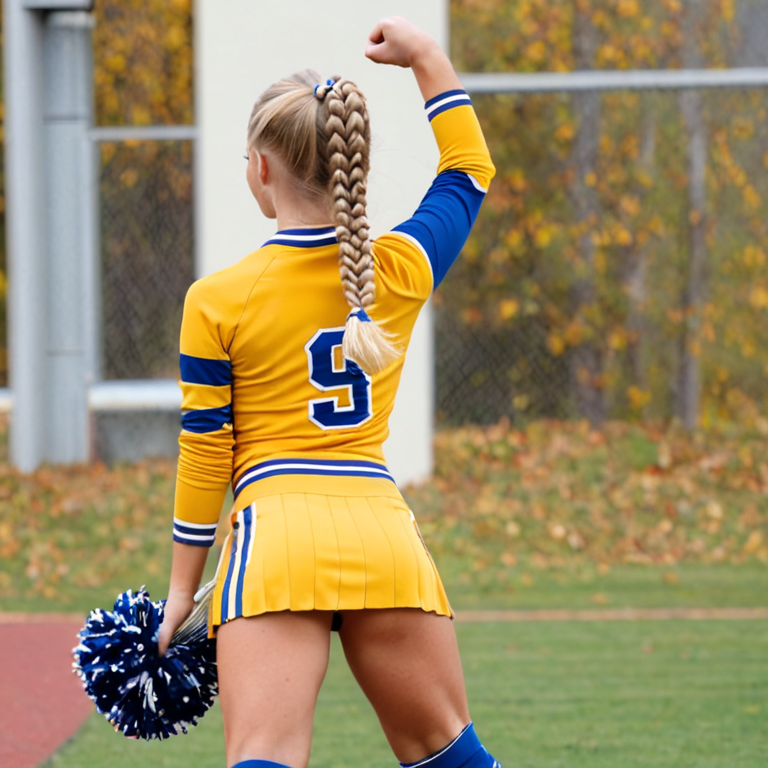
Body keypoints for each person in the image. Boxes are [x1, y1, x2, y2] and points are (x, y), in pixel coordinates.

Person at [157, 16, 499, 768]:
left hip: (274, 544)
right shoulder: (400, 269)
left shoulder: (217, 300)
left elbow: (206, 452)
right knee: (448, 756)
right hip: (382, 536)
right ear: (352, 165)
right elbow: (469, 170)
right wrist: (427, 59)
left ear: (262, 169)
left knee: (266, 757)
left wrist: (182, 588)